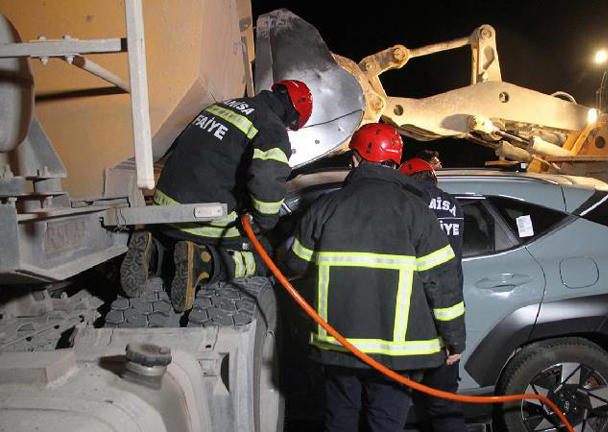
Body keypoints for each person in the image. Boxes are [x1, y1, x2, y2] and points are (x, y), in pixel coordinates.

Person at [284, 123, 466, 432]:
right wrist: (454, 339)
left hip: (339, 346)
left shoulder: (326, 206)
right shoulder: (417, 211)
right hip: (395, 354)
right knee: (384, 423)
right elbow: (443, 280)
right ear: (395, 163)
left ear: (355, 160)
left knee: (340, 420)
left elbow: (295, 265)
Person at [120, 80, 313, 312]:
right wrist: (266, 222)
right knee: (264, 257)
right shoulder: (272, 128)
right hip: (202, 219)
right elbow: (266, 182)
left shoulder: (222, 106)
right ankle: (204, 263)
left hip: (163, 210)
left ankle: (153, 255)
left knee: (180, 244)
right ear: (293, 118)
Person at [399, 158, 466, 432]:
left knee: (392, 403)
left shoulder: (404, 206)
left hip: (409, 318)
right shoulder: (454, 205)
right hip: (447, 313)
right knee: (443, 404)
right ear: (433, 179)